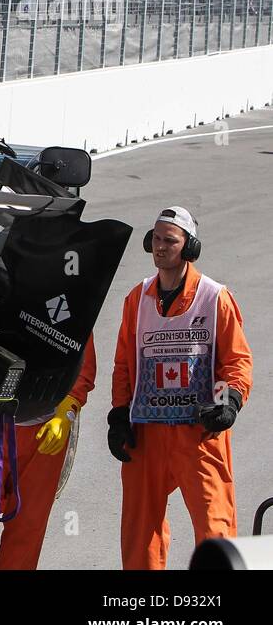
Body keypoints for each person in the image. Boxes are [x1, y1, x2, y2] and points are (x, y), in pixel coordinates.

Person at [109, 206, 253, 570]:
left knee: (215, 526)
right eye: (155, 239)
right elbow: (125, 363)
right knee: (140, 531)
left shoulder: (214, 297)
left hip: (199, 432)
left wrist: (229, 402)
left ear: (189, 247)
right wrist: (119, 415)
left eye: (169, 241)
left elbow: (236, 361)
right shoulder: (137, 299)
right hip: (147, 434)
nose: (160, 247)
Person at [0, 338, 96, 569]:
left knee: (29, 523)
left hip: (43, 434)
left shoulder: (73, 302)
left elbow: (83, 362)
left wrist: (66, 412)